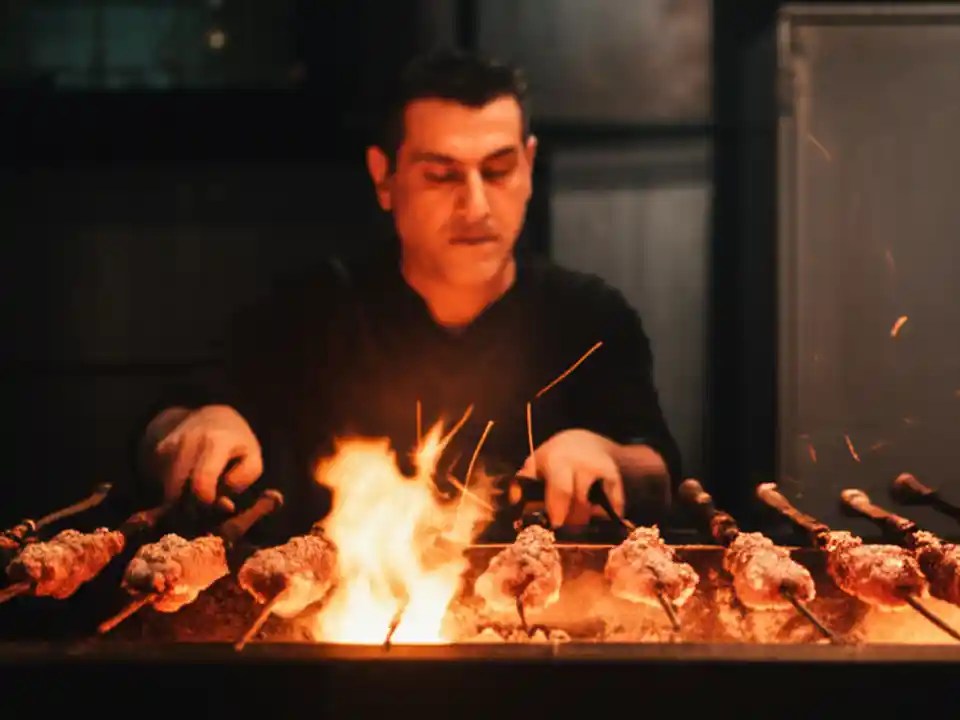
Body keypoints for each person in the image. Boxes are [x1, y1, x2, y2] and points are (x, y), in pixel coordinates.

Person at [133, 50, 681, 539]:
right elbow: (164, 423)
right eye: (442, 175)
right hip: (341, 627)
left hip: (547, 631)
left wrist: (603, 453)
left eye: (498, 170)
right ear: (384, 178)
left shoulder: (589, 317)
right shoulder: (312, 311)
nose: (476, 207)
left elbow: (657, 470)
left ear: (530, 166)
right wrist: (199, 427)